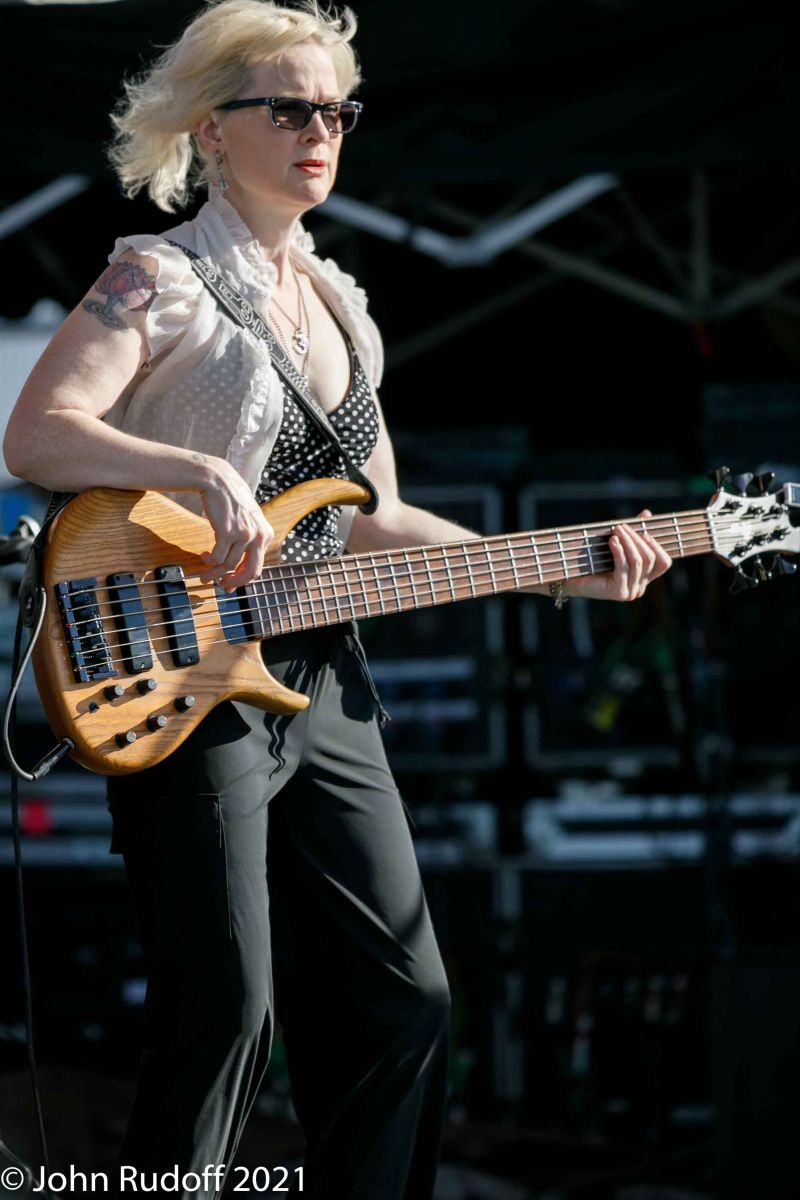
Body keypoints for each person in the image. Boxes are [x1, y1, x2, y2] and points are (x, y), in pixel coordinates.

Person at [2, 1, 673, 1195]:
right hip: (175, 675)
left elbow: (374, 513)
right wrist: (192, 469)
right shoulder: (154, 277)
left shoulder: (342, 303)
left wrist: (555, 562)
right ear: (213, 132)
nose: (321, 131)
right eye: (290, 109)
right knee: (225, 1011)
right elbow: (36, 435)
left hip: (319, 671)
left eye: (337, 112)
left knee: (403, 997)